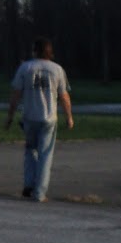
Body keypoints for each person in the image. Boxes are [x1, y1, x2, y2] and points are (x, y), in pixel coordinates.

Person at [5, 37, 73, 202]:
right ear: (50, 52)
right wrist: (69, 117)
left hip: (29, 117)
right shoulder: (57, 70)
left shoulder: (25, 68)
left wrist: (10, 116)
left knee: (30, 151)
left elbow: (16, 94)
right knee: (45, 154)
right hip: (49, 118)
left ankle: (29, 185)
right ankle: (39, 193)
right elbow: (64, 96)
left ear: (34, 51)